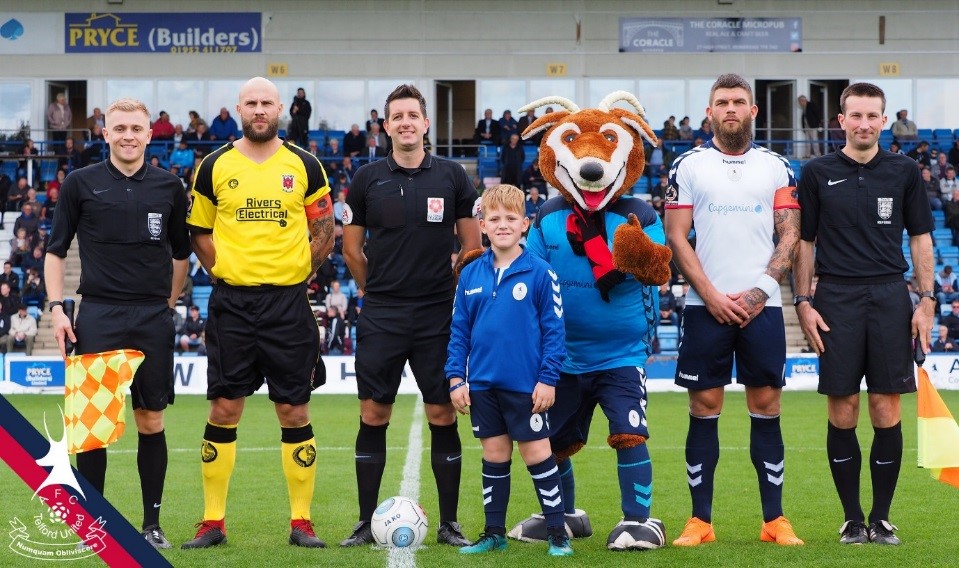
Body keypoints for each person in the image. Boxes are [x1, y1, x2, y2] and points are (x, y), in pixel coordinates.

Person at [181, 77, 335, 550]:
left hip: (288, 304)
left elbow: (324, 229)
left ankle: (302, 522)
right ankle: (212, 521)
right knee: (225, 408)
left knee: (294, 409)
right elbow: (199, 231)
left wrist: (298, 271)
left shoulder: (305, 164)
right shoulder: (213, 166)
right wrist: (224, 270)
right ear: (239, 109)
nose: (260, 109)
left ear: (280, 108)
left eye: (267, 102)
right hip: (232, 304)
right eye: (252, 103)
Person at [44, 97, 191, 549]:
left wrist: (166, 305)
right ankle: (94, 523)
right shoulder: (80, 183)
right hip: (99, 314)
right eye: (120, 128)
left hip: (151, 317)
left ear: (150, 135)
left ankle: (152, 525)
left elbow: (181, 255)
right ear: (105, 133)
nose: (128, 135)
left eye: (136, 128)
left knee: (151, 419)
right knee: (93, 427)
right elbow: (55, 250)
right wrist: (56, 307)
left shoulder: (169, 187)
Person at [666, 73, 804, 548]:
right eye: (722, 102)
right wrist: (710, 295)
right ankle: (699, 522)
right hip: (705, 307)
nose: (731, 108)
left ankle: (774, 521)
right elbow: (676, 235)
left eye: (739, 101)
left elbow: (790, 234)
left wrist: (760, 292)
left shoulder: (777, 167)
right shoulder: (688, 165)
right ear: (709, 111)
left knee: (767, 406)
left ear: (753, 111)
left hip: (762, 307)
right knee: (704, 407)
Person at [794, 82, 935, 546]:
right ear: (841, 121)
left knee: (885, 407)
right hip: (835, 298)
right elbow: (805, 242)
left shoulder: (904, 170)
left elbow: (920, 238)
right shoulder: (816, 172)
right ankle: (853, 518)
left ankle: (882, 517)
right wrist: (803, 301)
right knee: (844, 409)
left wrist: (926, 300)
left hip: (890, 295)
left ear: (883, 120)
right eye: (856, 115)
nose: (864, 124)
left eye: (872, 115)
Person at [340, 83, 481, 548]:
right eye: (396, 116)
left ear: (425, 123)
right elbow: (351, 249)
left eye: (412, 115)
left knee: (442, 412)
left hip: (437, 314)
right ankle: (365, 523)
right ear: (386, 126)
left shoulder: (452, 177)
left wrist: (453, 292)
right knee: (373, 412)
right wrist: (372, 289)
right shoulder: (366, 179)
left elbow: (472, 246)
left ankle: (449, 524)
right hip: (382, 314)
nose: (405, 123)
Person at [445, 184, 571, 556]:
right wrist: (456, 378)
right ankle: (494, 533)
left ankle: (557, 533)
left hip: (526, 387)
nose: (503, 225)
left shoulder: (541, 273)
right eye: (495, 218)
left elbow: (555, 332)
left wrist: (548, 379)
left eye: (511, 218)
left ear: (524, 224)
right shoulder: (470, 274)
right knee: (495, 455)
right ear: (482, 225)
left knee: (538, 455)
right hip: (483, 386)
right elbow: (459, 332)